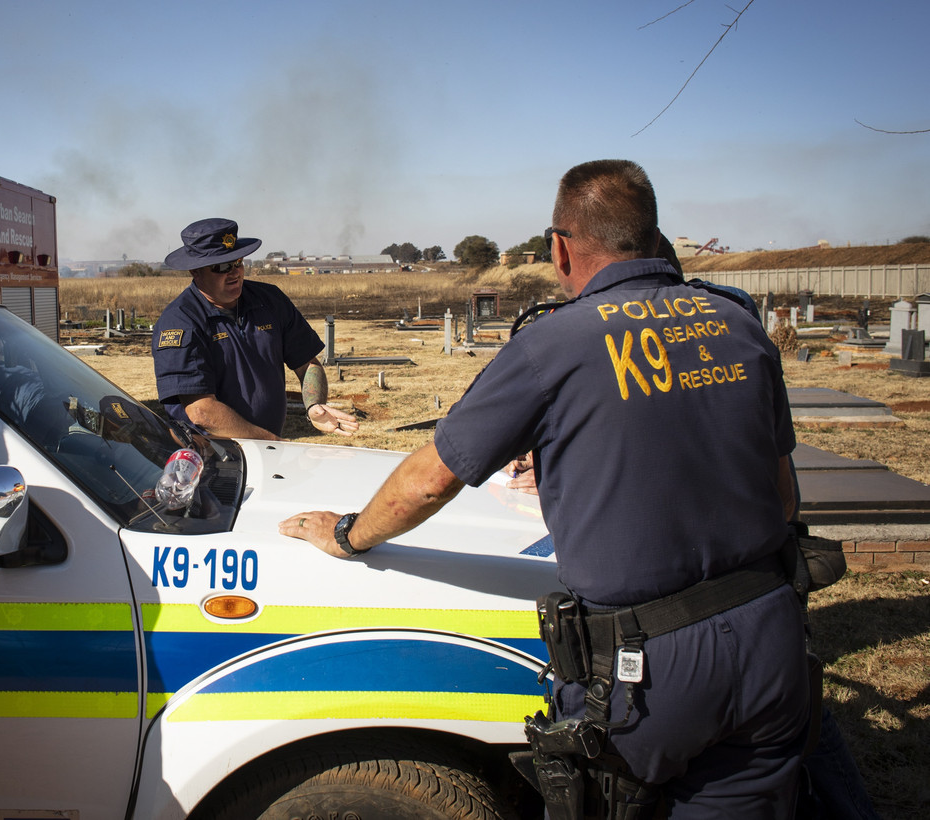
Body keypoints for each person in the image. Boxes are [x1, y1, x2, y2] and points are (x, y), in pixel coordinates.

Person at [281, 160, 810, 818]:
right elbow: (783, 498)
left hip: (650, 671)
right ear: (651, 236)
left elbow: (428, 480)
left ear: (560, 246)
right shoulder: (738, 325)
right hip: (771, 636)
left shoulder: (553, 346)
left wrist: (346, 534)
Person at [151, 217, 358, 440]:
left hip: (266, 447)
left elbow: (307, 363)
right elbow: (201, 412)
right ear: (195, 271)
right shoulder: (180, 322)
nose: (234, 273)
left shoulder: (270, 300)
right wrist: (270, 442)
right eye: (221, 267)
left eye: (238, 262)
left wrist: (314, 404)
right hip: (210, 458)